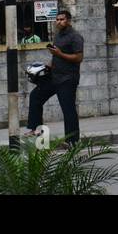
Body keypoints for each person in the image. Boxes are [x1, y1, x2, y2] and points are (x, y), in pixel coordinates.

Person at [24, 9, 84, 143]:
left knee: (68, 111)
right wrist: (47, 66)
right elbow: (55, 56)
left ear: (68, 21)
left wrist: (60, 54)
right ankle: (36, 129)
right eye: (57, 19)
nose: (59, 22)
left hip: (68, 79)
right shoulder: (57, 35)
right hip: (54, 76)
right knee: (35, 96)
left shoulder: (75, 37)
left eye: (62, 19)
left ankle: (72, 141)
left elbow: (79, 58)